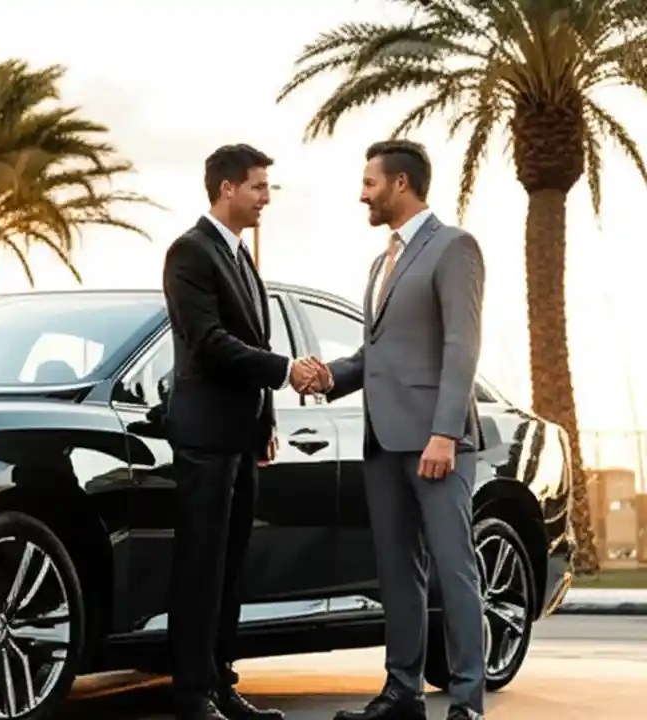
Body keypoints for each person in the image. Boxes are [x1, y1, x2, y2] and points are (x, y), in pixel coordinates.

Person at [307, 139, 487, 720]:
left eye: (369, 183)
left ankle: (466, 703)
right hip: (382, 442)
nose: (362, 193)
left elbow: (462, 346)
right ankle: (401, 692)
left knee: (455, 571)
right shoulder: (380, 262)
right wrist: (324, 376)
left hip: (436, 443)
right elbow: (376, 355)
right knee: (397, 573)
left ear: (401, 184)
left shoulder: (453, 248)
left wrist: (444, 434)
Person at [161, 143, 323, 720]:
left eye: (267, 188)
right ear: (226, 189)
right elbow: (208, 343)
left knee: (231, 567)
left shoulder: (243, 259)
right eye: (257, 187)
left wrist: (266, 421)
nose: (265, 199)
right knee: (200, 568)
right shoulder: (189, 253)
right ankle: (190, 693)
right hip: (203, 439)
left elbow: (253, 340)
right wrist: (285, 372)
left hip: (241, 438)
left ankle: (221, 684)